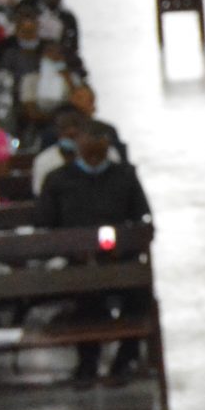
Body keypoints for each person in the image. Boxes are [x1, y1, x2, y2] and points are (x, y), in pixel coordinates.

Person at [36, 120, 153, 386]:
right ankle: (87, 361)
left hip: (119, 260)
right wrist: (71, 248)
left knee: (138, 292)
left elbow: (142, 220)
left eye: (98, 147)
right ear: (78, 146)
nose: (92, 154)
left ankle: (126, 357)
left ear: (106, 147)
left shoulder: (124, 176)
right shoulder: (58, 179)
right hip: (75, 262)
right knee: (84, 295)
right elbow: (45, 226)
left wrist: (125, 245)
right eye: (87, 147)